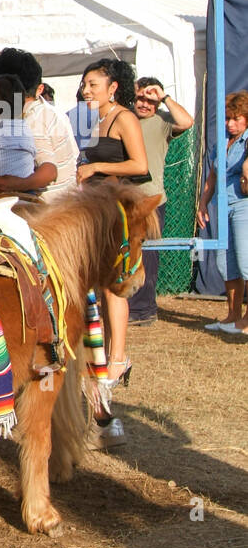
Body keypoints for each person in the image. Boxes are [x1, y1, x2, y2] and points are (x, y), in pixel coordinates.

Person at [76, 57, 147, 410]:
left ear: (113, 87)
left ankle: (118, 358)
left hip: (119, 209)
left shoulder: (125, 118)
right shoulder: (93, 118)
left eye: (93, 84)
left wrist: (96, 166)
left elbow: (140, 165)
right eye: (85, 85)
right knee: (95, 283)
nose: (86, 90)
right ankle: (97, 353)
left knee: (113, 284)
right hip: (94, 208)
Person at [127, 77, 194, 325]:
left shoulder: (163, 121)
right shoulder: (124, 119)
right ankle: (125, 305)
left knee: (148, 254)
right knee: (124, 252)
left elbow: (187, 122)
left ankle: (144, 310)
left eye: (149, 99)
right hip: (125, 200)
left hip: (152, 200)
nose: (144, 103)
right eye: (140, 98)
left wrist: (164, 98)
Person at [0, 49, 78, 201]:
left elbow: (49, 171)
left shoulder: (32, 122)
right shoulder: (38, 110)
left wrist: (16, 184)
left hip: (46, 210)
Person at [197, 90, 248, 334]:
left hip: (243, 205)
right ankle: (232, 315)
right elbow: (213, 176)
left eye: (236, 118)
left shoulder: (247, 141)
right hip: (221, 205)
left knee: (246, 262)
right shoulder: (221, 141)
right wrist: (203, 202)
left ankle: (247, 320)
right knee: (225, 263)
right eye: (228, 118)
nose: (230, 123)